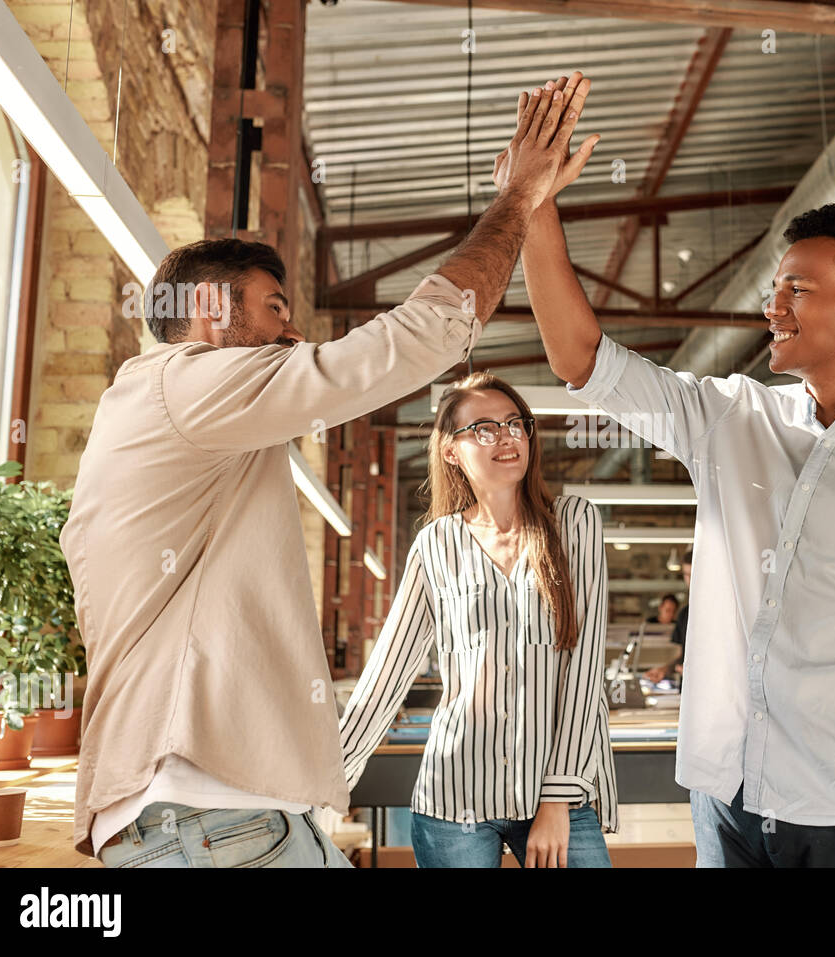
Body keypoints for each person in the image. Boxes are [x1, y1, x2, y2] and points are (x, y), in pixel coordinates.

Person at [62, 72, 598, 866]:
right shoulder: (185, 384)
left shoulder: (157, 418)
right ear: (207, 308)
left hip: (201, 817)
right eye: (275, 308)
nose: (290, 334)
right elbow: (411, 341)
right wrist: (519, 198)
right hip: (212, 819)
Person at [520, 81, 835, 868]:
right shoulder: (730, 417)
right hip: (727, 802)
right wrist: (532, 204)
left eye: (798, 288)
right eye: (773, 288)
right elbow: (579, 358)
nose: (773, 305)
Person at [339, 374, 616, 868]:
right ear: (451, 451)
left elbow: (585, 671)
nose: (506, 437)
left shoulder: (574, 523)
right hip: (454, 795)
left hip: (558, 793)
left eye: (515, 423)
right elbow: (388, 671)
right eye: (484, 428)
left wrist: (556, 800)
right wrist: (331, 778)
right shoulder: (436, 544)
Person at [645, 549, 692, 683]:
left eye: (694, 573)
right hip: (688, 688)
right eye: (686, 574)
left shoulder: (719, 611)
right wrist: (663, 670)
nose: (690, 580)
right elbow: (681, 656)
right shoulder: (685, 614)